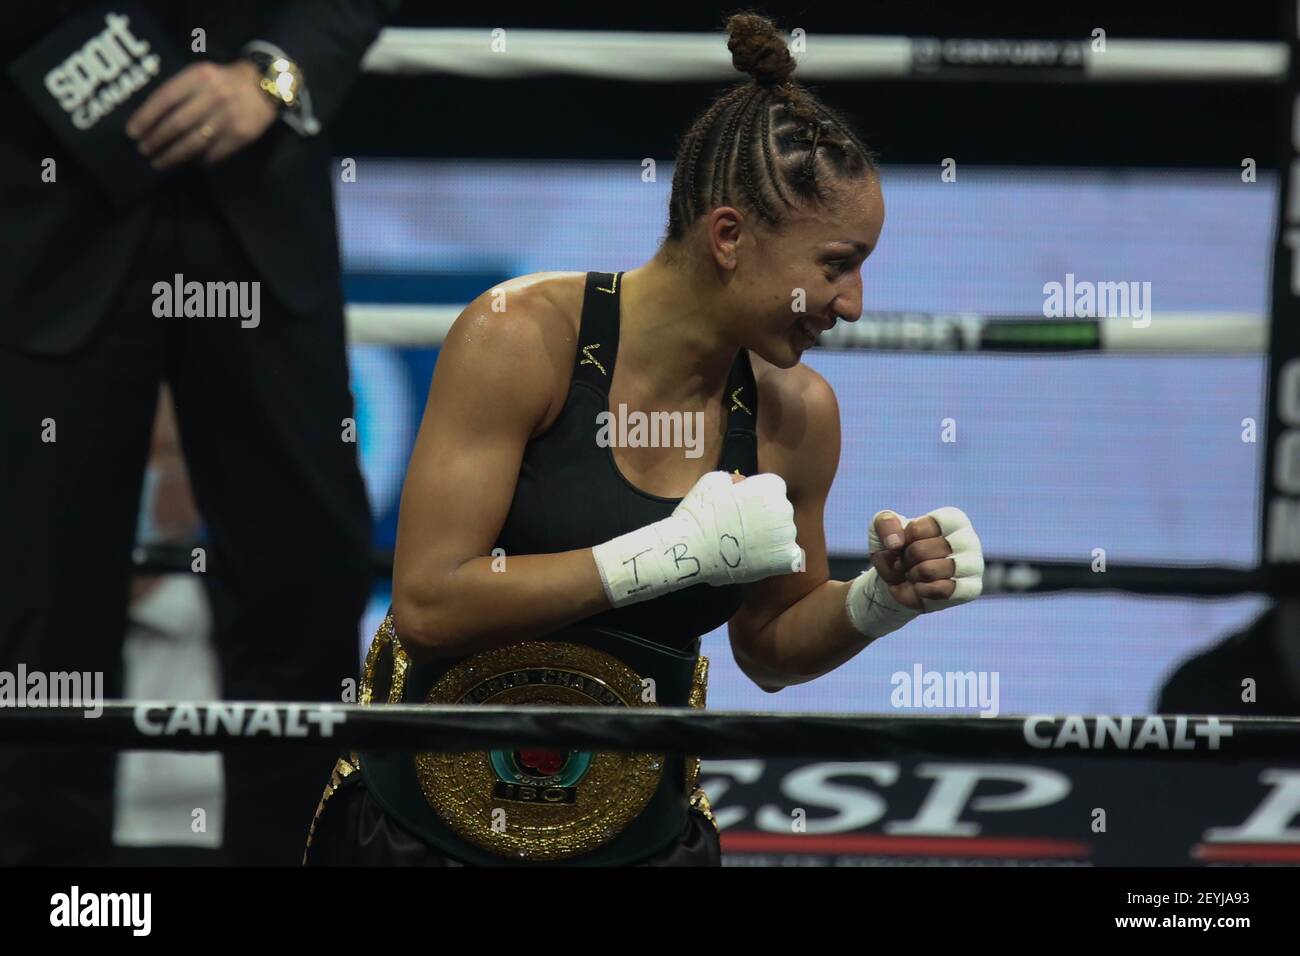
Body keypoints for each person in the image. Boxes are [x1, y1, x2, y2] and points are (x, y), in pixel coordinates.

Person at [304, 11, 985, 867]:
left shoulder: (797, 414)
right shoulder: (521, 338)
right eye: (836, 264)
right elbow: (432, 604)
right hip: (420, 843)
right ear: (729, 237)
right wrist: (667, 555)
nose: (853, 304)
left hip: (641, 845)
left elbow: (769, 647)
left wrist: (876, 601)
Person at [0, 0, 401, 865]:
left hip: (259, 203)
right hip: (49, 198)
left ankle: (299, 858)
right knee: (38, 602)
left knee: (310, 579)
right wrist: (105, 55)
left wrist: (275, 72)